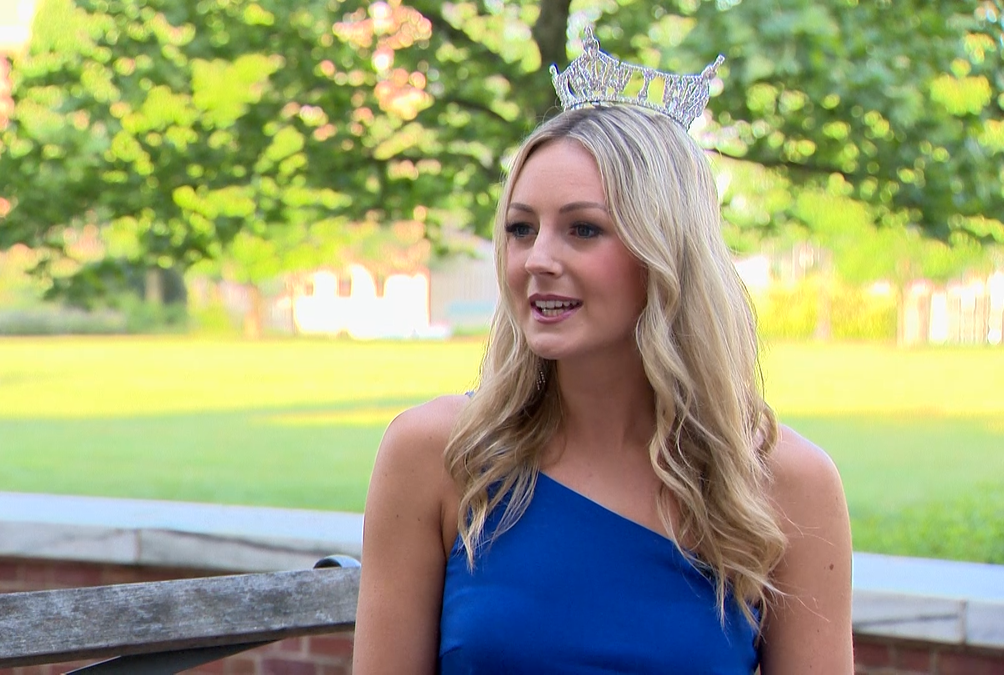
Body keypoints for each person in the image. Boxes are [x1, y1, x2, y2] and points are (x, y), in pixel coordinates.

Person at [352, 27, 853, 675]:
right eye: (521, 228)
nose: (538, 260)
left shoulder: (788, 484)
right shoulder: (438, 454)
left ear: (665, 253)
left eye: (583, 228)